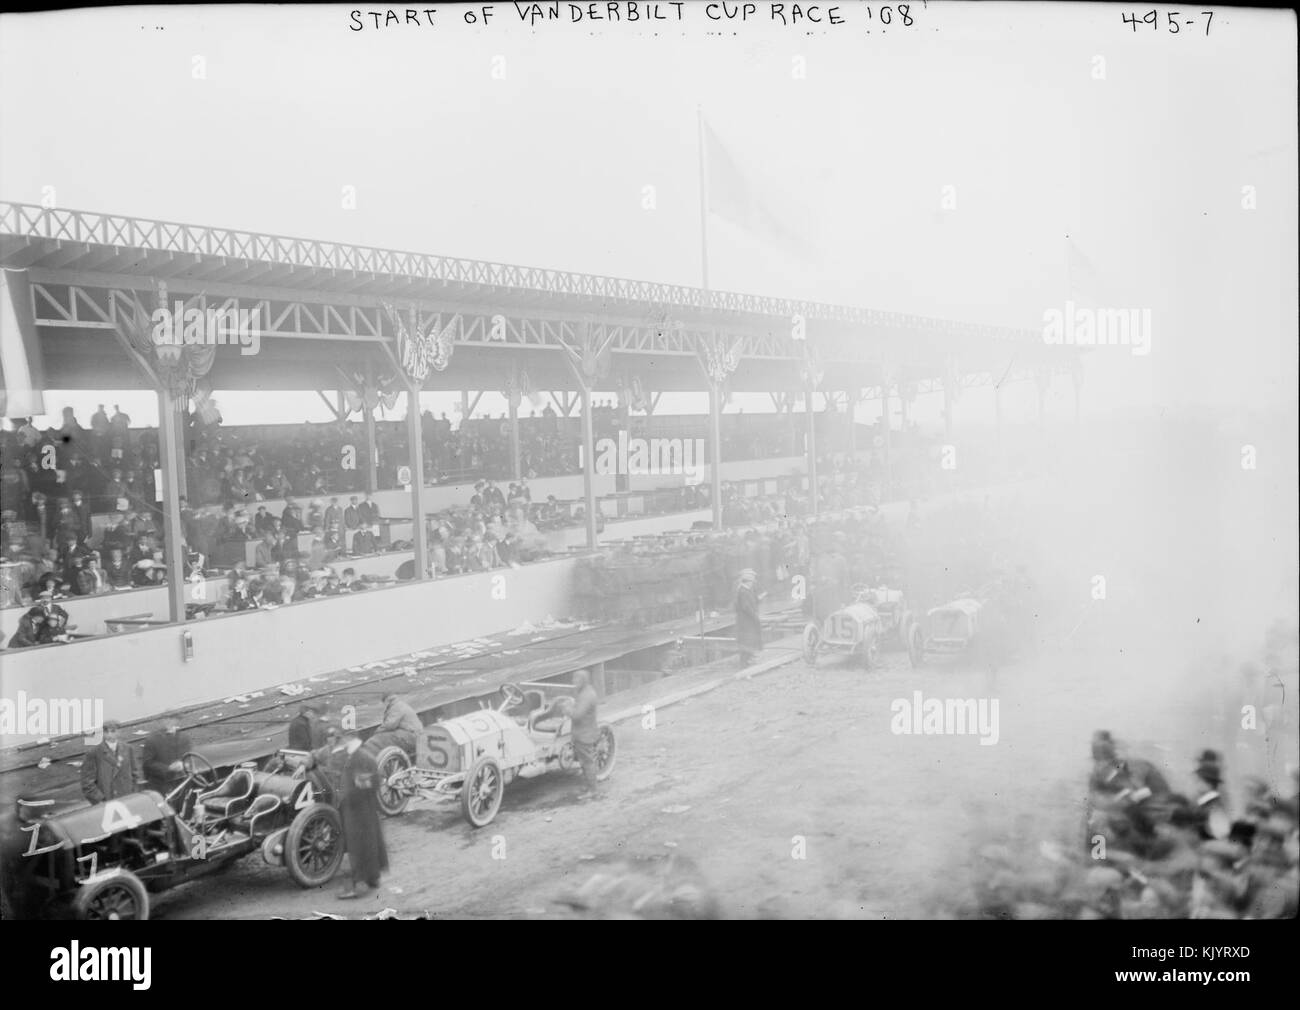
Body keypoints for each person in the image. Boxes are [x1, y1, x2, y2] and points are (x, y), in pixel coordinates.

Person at [337, 730, 388, 900]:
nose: (342, 741)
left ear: (350, 738)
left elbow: (374, 780)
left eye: (344, 738)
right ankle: (374, 878)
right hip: (363, 807)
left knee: (358, 845)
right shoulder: (360, 755)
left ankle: (359, 884)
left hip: (357, 808)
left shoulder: (358, 757)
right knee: (371, 841)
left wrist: (362, 783)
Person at [80, 720, 139, 803]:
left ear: (119, 732)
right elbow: (87, 783)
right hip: (108, 802)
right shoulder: (94, 753)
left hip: (127, 798)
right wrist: (100, 800)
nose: (109, 735)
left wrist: (133, 793)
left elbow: (135, 774)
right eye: (106, 732)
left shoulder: (128, 749)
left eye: (113, 731)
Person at [141, 715, 193, 795]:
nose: (169, 721)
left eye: (172, 718)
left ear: (177, 720)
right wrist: (168, 768)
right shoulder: (152, 739)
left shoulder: (185, 737)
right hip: (161, 785)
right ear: (161, 721)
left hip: (183, 783)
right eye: (166, 719)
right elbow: (147, 764)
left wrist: (184, 765)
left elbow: (190, 757)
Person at [569, 668, 601, 796]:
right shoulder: (584, 692)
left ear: (584, 680)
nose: (574, 681)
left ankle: (593, 790)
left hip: (584, 734)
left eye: (577, 679)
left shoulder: (587, 695)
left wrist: (567, 709)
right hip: (582, 733)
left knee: (587, 763)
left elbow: (577, 715)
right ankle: (588, 786)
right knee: (584, 762)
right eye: (574, 678)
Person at [734, 568, 763, 667]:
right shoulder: (742, 591)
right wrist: (755, 616)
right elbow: (746, 607)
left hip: (748, 621)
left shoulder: (747, 590)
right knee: (746, 641)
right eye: (751, 581)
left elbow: (753, 601)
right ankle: (744, 662)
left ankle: (748, 659)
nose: (752, 583)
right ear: (747, 582)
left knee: (749, 640)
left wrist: (758, 599)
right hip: (745, 621)